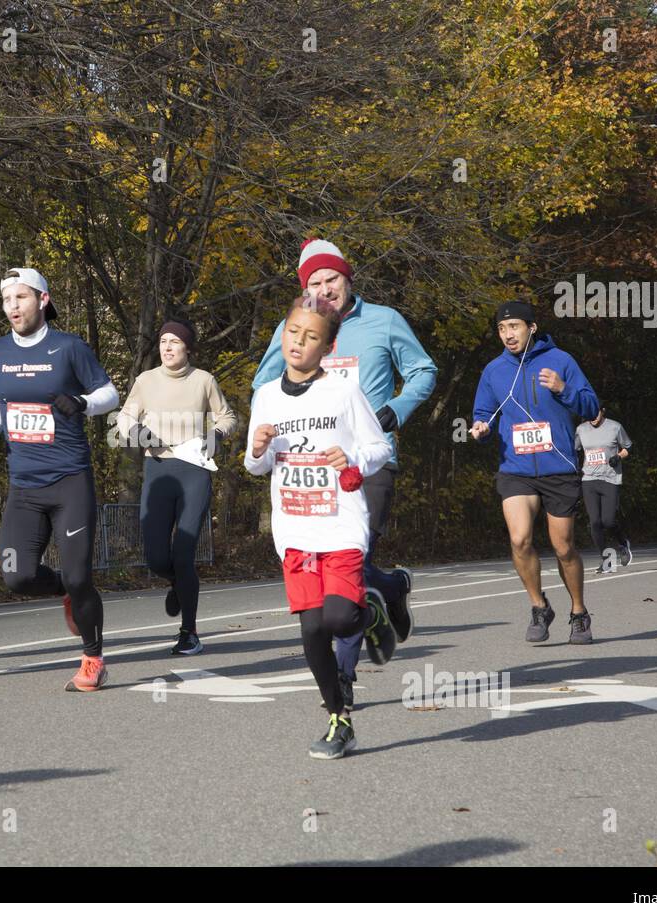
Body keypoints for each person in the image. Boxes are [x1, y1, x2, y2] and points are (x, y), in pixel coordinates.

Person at [253, 238, 436, 690]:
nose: (324, 289)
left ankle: (345, 677)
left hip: (369, 460)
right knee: (336, 563)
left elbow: (423, 371)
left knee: (356, 555)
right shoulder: (294, 329)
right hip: (310, 467)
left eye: (331, 278)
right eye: (314, 282)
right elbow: (263, 381)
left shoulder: (383, 321)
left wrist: (396, 409)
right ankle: (390, 588)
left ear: (348, 278)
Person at [245, 294, 391, 759]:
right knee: (312, 631)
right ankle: (338, 719)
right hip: (295, 530)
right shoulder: (266, 395)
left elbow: (379, 448)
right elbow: (257, 467)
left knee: (340, 618)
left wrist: (352, 459)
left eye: (310, 337)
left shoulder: (344, 392)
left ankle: (373, 609)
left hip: (341, 523)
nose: (298, 343)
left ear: (326, 348)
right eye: (293, 332)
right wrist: (257, 447)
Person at [0, 268, 120, 691]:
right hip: (24, 484)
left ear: (42, 299)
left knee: (81, 575)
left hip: (69, 478)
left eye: (21, 297)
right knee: (15, 576)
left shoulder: (69, 347)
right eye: (7, 300)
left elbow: (108, 394)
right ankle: (67, 591)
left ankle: (93, 658)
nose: (13, 306)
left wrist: (81, 402)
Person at [470, 300, 599, 644]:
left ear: (532, 327)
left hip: (559, 468)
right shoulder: (493, 371)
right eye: (501, 329)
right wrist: (481, 428)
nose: (508, 335)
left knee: (563, 547)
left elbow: (591, 406)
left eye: (514, 327)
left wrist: (562, 388)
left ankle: (578, 611)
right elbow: (483, 412)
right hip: (517, 469)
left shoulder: (561, 361)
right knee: (519, 538)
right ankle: (539, 606)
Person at [115, 320, 237, 655]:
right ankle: (175, 583)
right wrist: (139, 434)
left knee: (183, 553)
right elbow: (124, 418)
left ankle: (189, 633)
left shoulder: (203, 380)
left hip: (194, 470)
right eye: (163, 341)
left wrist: (216, 435)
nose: (167, 347)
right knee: (156, 558)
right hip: (157, 469)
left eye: (175, 342)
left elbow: (227, 417)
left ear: (188, 348)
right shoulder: (146, 380)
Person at [575, 408, 632, 573]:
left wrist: (618, 456)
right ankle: (606, 560)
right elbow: (574, 449)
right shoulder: (581, 429)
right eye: (589, 413)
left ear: (602, 411)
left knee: (608, 521)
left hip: (610, 478)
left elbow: (628, 447)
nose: (592, 416)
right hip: (589, 479)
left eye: (596, 412)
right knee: (595, 522)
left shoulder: (615, 427)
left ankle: (623, 543)